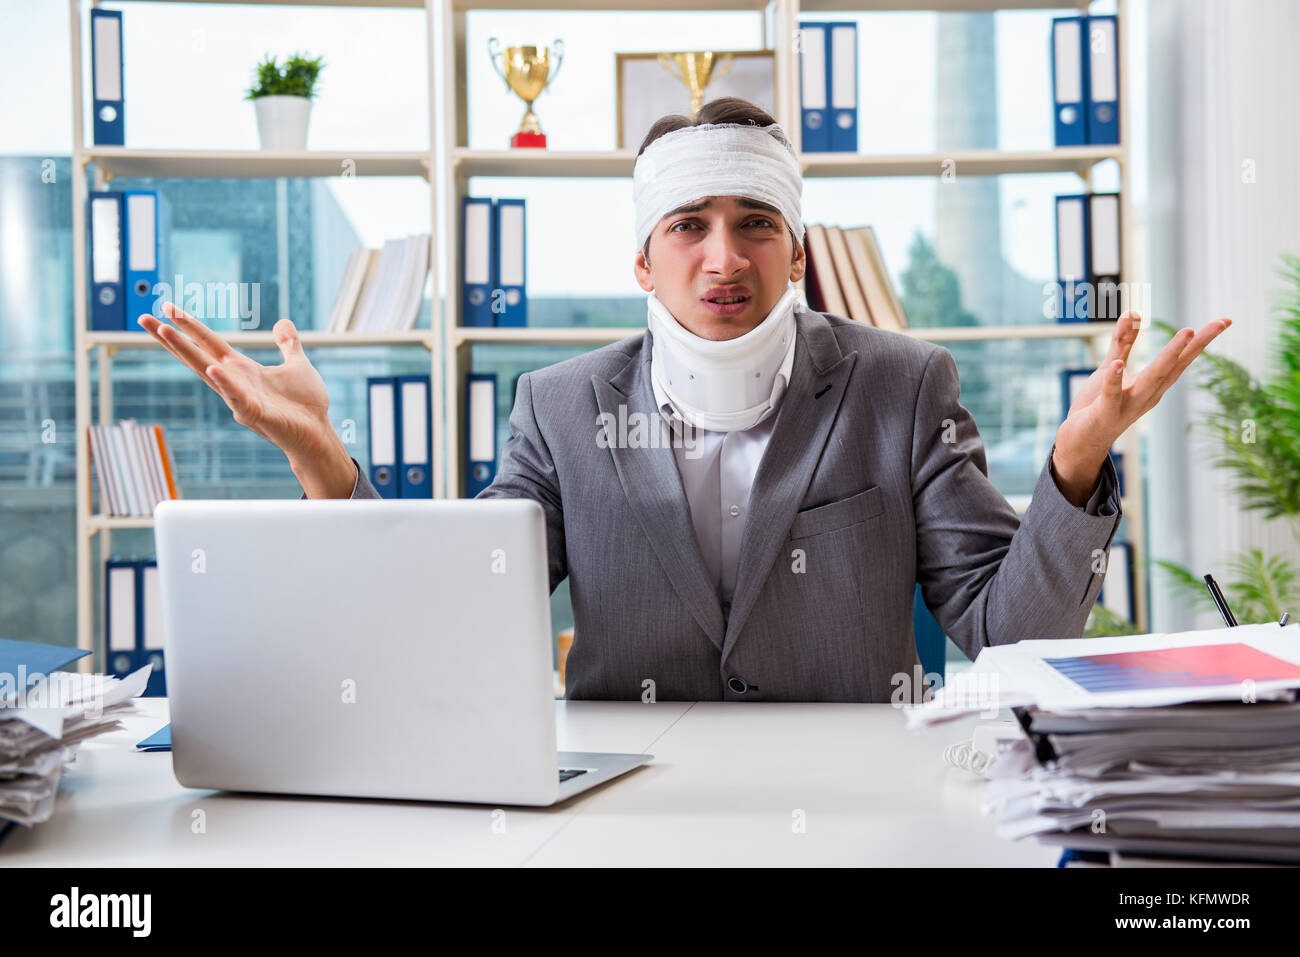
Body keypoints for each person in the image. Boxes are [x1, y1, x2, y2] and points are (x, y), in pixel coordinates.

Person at [137, 97, 1230, 702]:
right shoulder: (560, 407)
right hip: (628, 800)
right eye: (687, 226)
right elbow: (448, 611)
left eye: (755, 223)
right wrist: (322, 456)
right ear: (643, 263)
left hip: (855, 801)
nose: (724, 256)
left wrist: (1074, 464)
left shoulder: (902, 386)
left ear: (796, 255)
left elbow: (1008, 635)